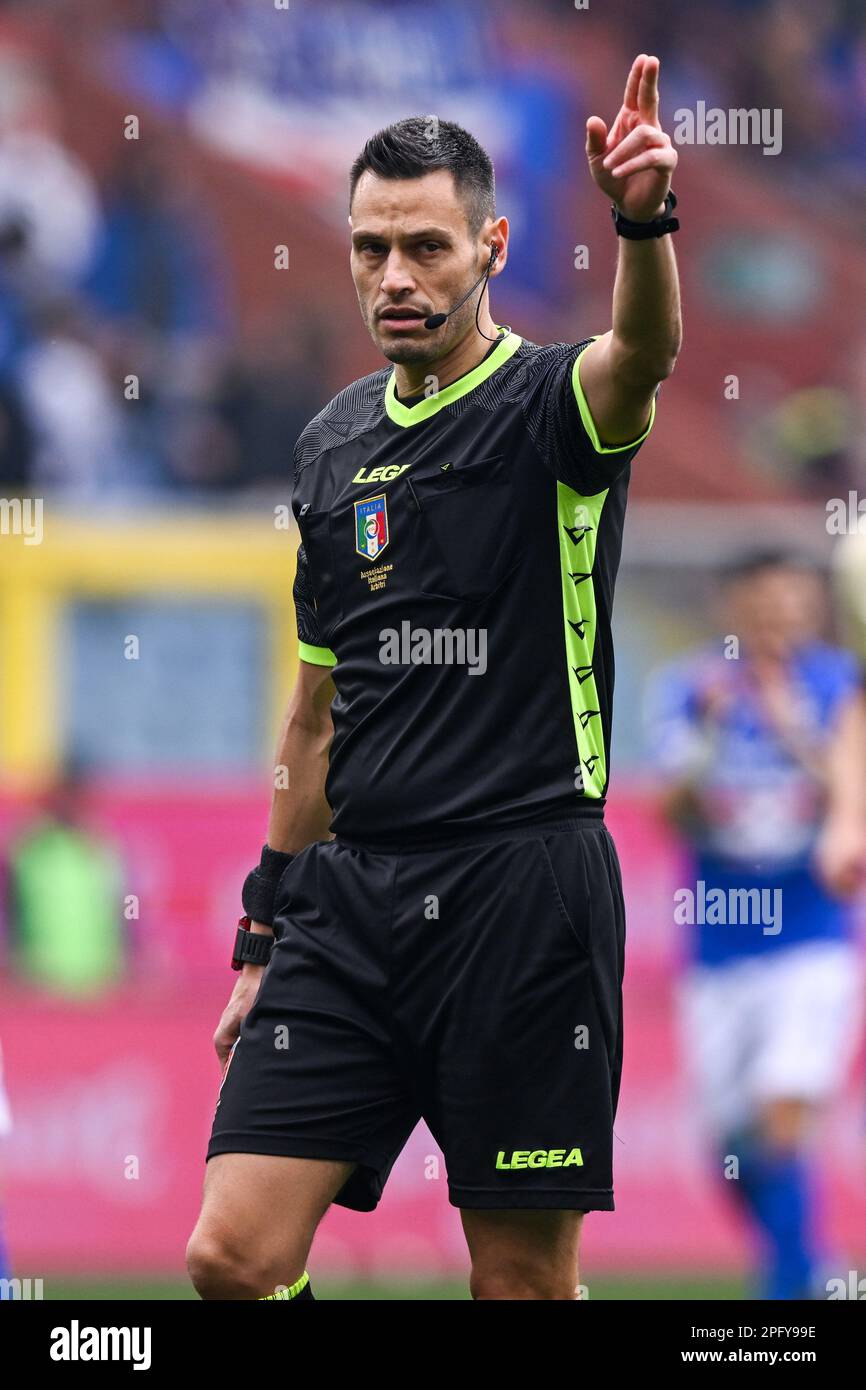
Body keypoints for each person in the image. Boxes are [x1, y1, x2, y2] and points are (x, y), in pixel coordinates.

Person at [187, 53, 682, 1301]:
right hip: (348, 905)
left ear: (490, 246)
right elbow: (315, 713)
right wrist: (262, 925)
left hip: (524, 888)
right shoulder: (331, 444)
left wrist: (641, 219)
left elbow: (645, 349)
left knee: (516, 1284)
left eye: (425, 247)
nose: (394, 277)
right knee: (231, 1257)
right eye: (369, 249)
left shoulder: (551, 405)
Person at [644, 552, 866, 1299]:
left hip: (813, 937)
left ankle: (788, 1296)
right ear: (731, 607)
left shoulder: (842, 686)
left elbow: (854, 798)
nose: (780, 620)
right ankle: (809, 1265)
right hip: (717, 946)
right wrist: (709, 742)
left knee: (784, 1116)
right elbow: (670, 815)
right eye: (765, 604)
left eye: (794, 604)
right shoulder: (687, 688)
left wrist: (793, 726)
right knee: (729, 1149)